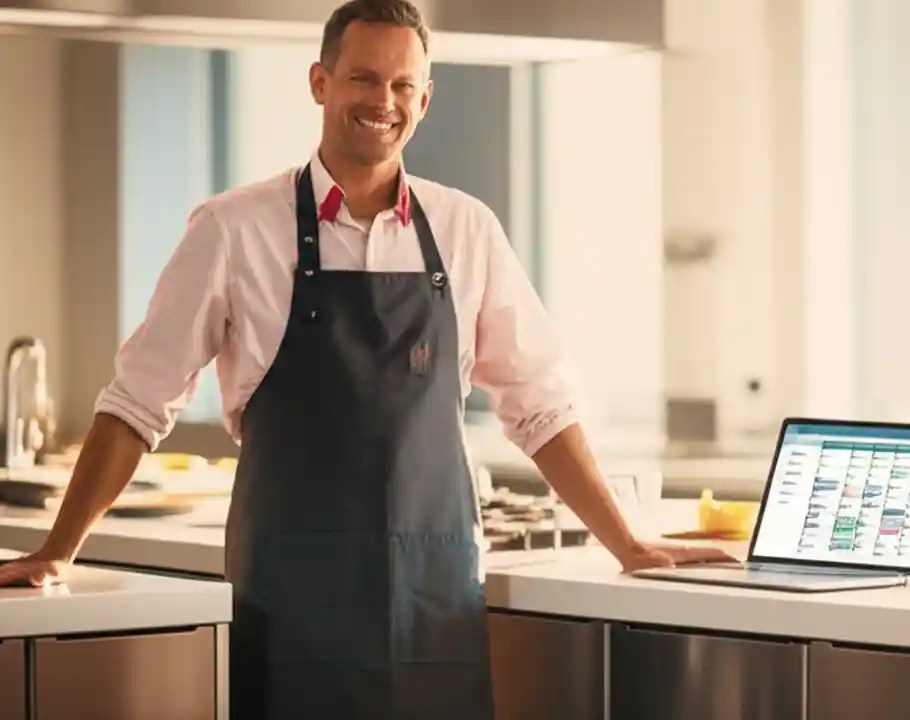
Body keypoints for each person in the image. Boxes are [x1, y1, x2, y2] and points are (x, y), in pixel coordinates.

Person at [0, 0, 733, 716]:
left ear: (425, 97)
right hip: (288, 598)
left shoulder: (465, 228)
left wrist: (627, 541)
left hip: (432, 599)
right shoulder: (233, 229)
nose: (383, 100)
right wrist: (58, 548)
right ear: (321, 82)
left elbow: (540, 405)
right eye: (363, 78)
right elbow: (136, 404)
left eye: (403, 85)